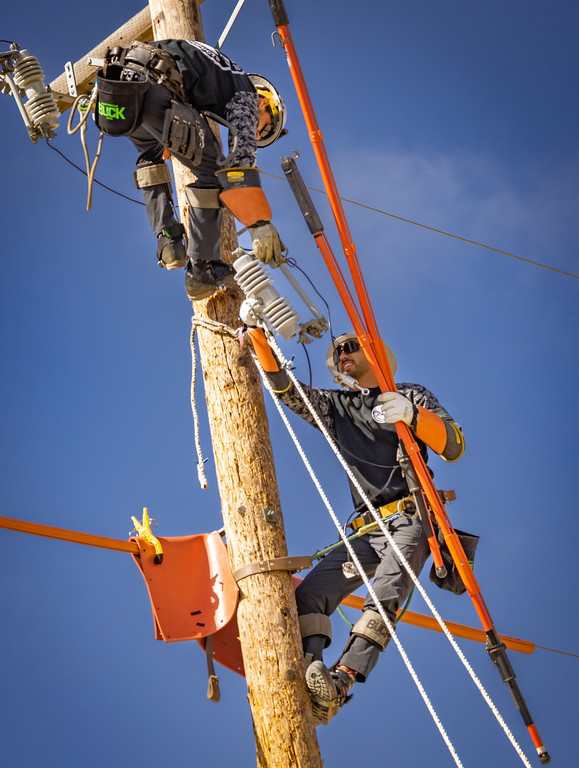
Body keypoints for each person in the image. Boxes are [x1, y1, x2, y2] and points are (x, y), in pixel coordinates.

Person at [246, 328, 465, 725]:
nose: (342, 355)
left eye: (350, 347)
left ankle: (343, 678)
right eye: (337, 352)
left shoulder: (409, 394)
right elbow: (285, 388)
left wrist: (412, 415)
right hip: (367, 531)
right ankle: (315, 674)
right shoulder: (337, 408)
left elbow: (453, 445)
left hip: (410, 520)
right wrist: (257, 336)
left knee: (385, 592)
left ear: (375, 351)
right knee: (308, 595)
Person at [94, 39, 285, 300]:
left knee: (149, 157)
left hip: (121, 88)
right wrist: (258, 223)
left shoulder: (220, 69)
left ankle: (168, 241)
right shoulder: (248, 95)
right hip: (155, 87)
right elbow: (240, 157)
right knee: (215, 174)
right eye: (263, 128)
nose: (257, 132)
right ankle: (202, 271)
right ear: (266, 104)